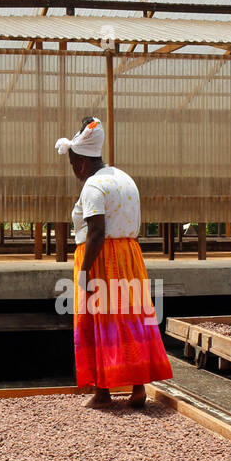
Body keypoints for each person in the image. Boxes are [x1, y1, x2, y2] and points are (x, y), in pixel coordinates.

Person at [55, 116, 172, 408]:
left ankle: (103, 391)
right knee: (131, 318)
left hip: (101, 258)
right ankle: (138, 387)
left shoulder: (94, 186)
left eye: (73, 166)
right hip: (129, 257)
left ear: (80, 162)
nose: (74, 172)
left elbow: (96, 232)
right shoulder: (124, 179)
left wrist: (83, 273)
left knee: (99, 320)